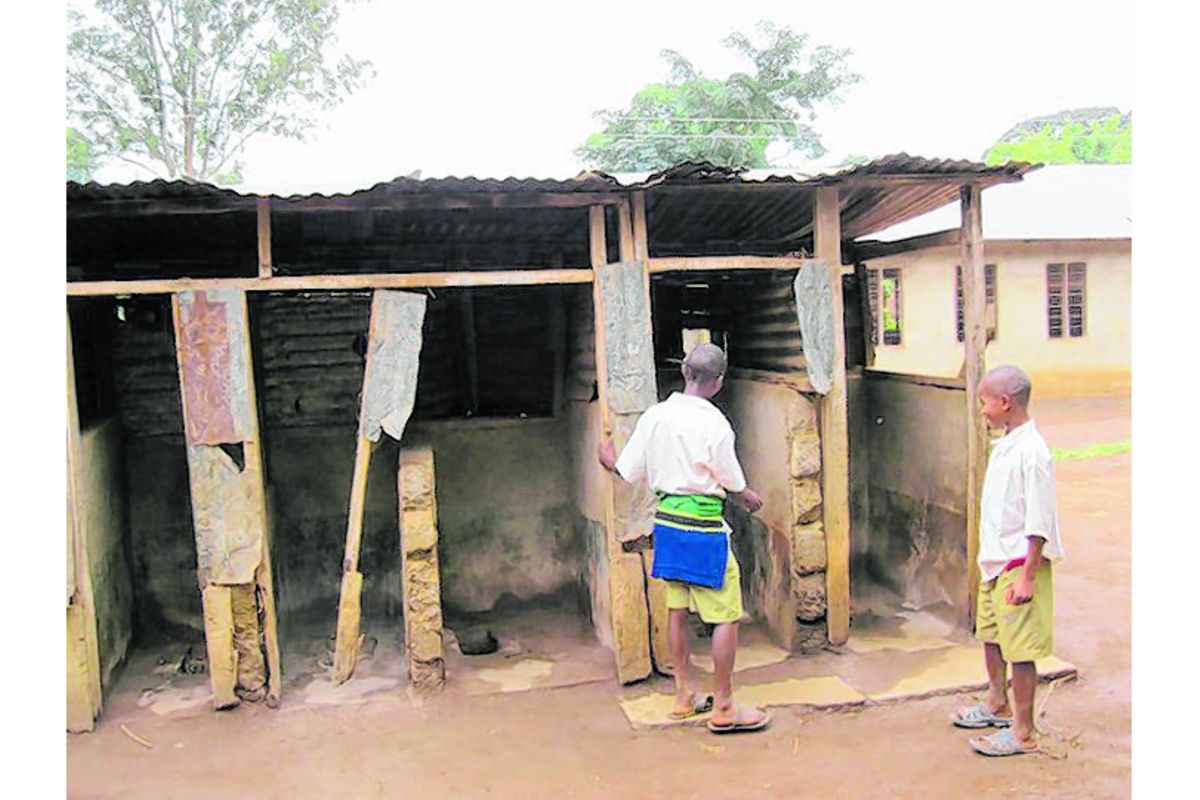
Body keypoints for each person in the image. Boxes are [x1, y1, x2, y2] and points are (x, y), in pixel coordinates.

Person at [598, 343, 770, 734]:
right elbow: (731, 480)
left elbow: (626, 470)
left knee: (677, 609)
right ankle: (724, 705)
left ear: (685, 372)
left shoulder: (655, 416)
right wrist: (747, 497)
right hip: (705, 527)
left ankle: (683, 695)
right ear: (718, 382)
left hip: (668, 525)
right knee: (726, 616)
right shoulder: (716, 424)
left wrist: (606, 457)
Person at [952, 365, 1065, 756]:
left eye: (984, 402)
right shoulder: (1007, 442)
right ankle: (996, 703)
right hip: (995, 562)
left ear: (1005, 402)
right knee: (992, 636)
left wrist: (1028, 577)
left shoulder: (1034, 453)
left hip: (1019, 565)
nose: (982, 409)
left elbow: (1039, 520)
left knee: (1019, 651)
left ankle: (1023, 732)